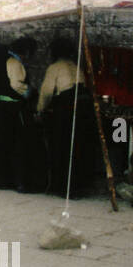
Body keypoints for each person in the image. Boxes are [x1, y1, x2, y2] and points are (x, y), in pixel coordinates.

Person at [0, 38, 40, 191]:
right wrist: (30, 92)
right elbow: (16, 85)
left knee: (0, 142)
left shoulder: (2, 60)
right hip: (12, 109)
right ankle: (9, 179)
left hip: (3, 107)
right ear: (26, 51)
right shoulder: (14, 62)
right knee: (14, 143)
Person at [39, 36, 93, 198]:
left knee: (62, 147)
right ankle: (78, 185)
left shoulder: (55, 68)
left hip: (66, 109)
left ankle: (63, 186)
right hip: (83, 109)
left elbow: (47, 92)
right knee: (78, 147)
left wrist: (39, 109)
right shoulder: (76, 67)